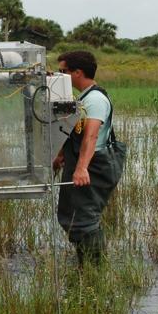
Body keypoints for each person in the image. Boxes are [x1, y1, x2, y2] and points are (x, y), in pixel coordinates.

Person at [51, 51, 123, 266]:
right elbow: (74, 130)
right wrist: (60, 155)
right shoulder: (81, 98)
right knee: (72, 214)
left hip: (96, 165)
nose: (59, 76)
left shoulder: (96, 100)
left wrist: (81, 168)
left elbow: (90, 136)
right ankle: (85, 262)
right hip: (80, 161)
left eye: (63, 72)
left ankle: (93, 267)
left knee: (86, 217)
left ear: (77, 72)